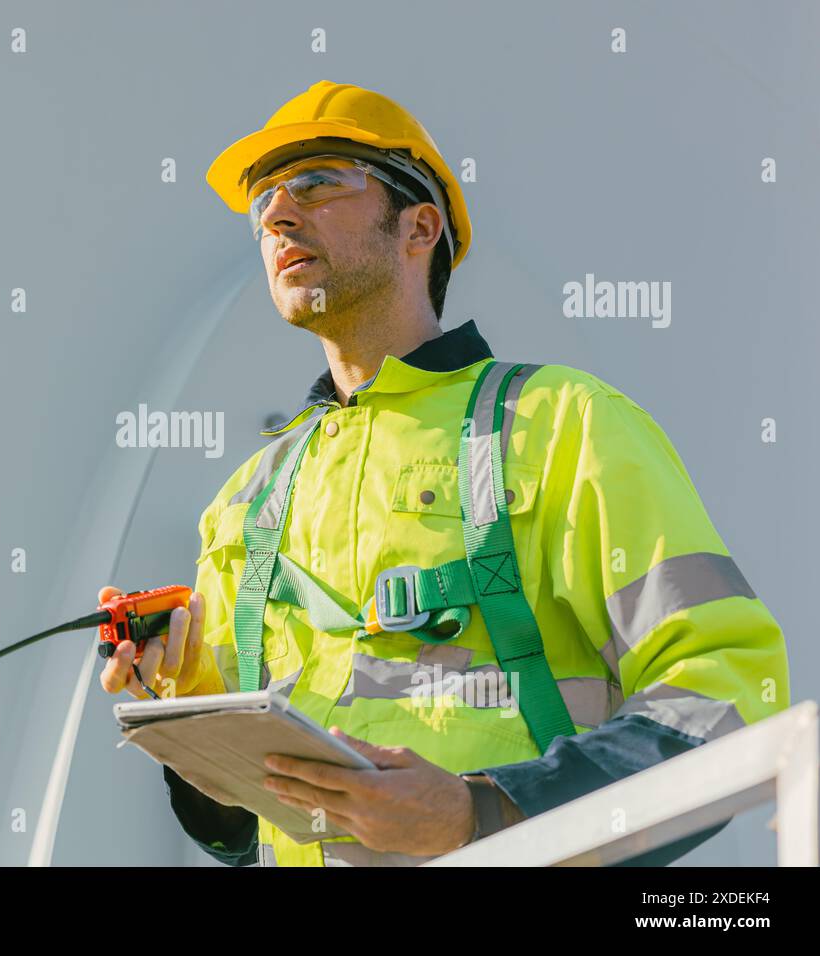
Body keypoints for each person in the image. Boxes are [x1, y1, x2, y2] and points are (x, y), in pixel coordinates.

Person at [98, 80, 789, 867]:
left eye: (319, 181)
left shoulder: (564, 421)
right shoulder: (246, 501)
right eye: (264, 204)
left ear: (419, 226)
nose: (279, 215)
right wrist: (188, 725)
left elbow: (725, 697)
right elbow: (245, 835)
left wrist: (478, 814)